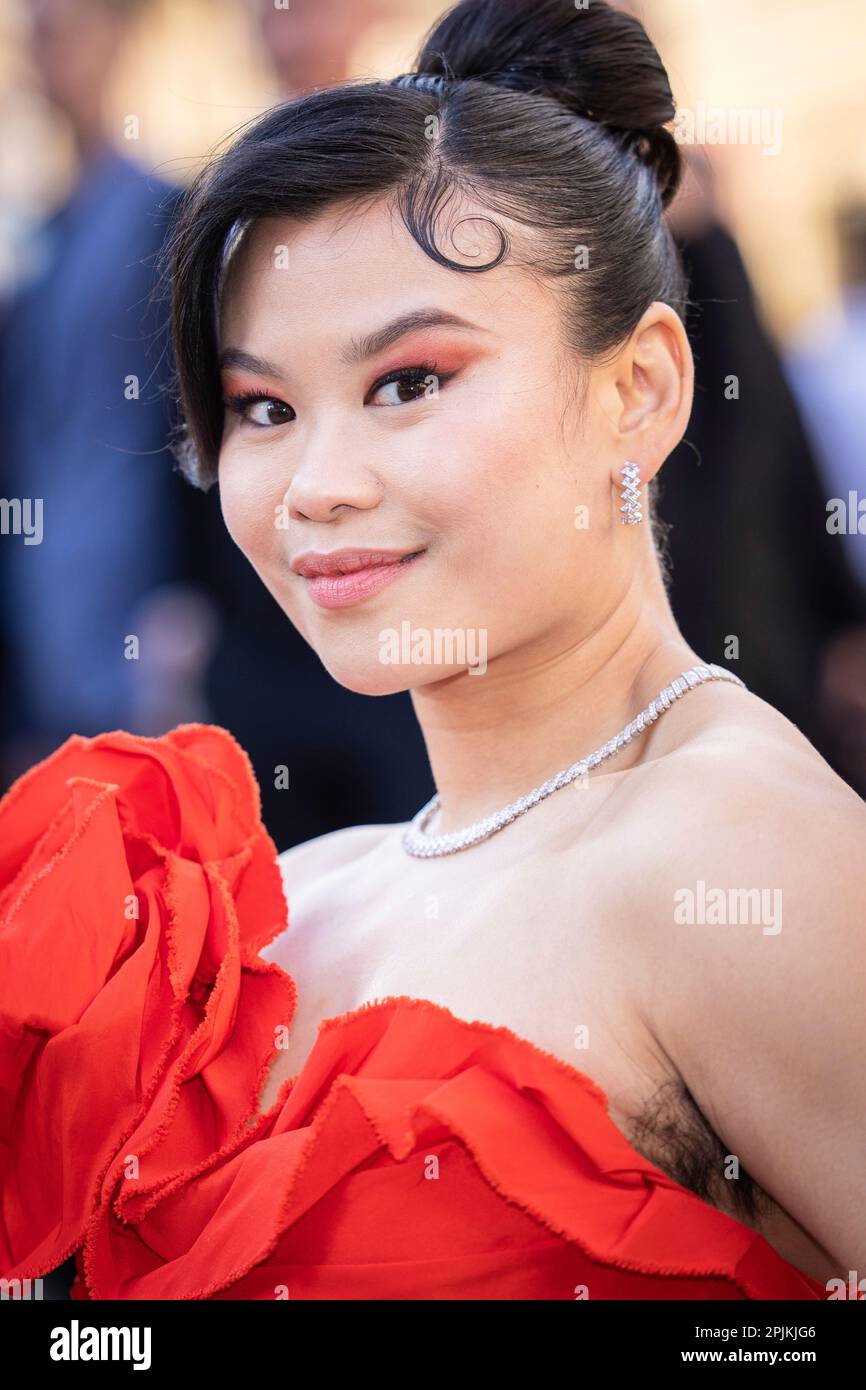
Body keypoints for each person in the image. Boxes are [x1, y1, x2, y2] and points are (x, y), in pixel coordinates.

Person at [2, 0, 864, 1301]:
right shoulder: (308, 894)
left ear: (637, 388)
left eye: (409, 380)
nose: (316, 484)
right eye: (263, 407)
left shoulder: (744, 862)